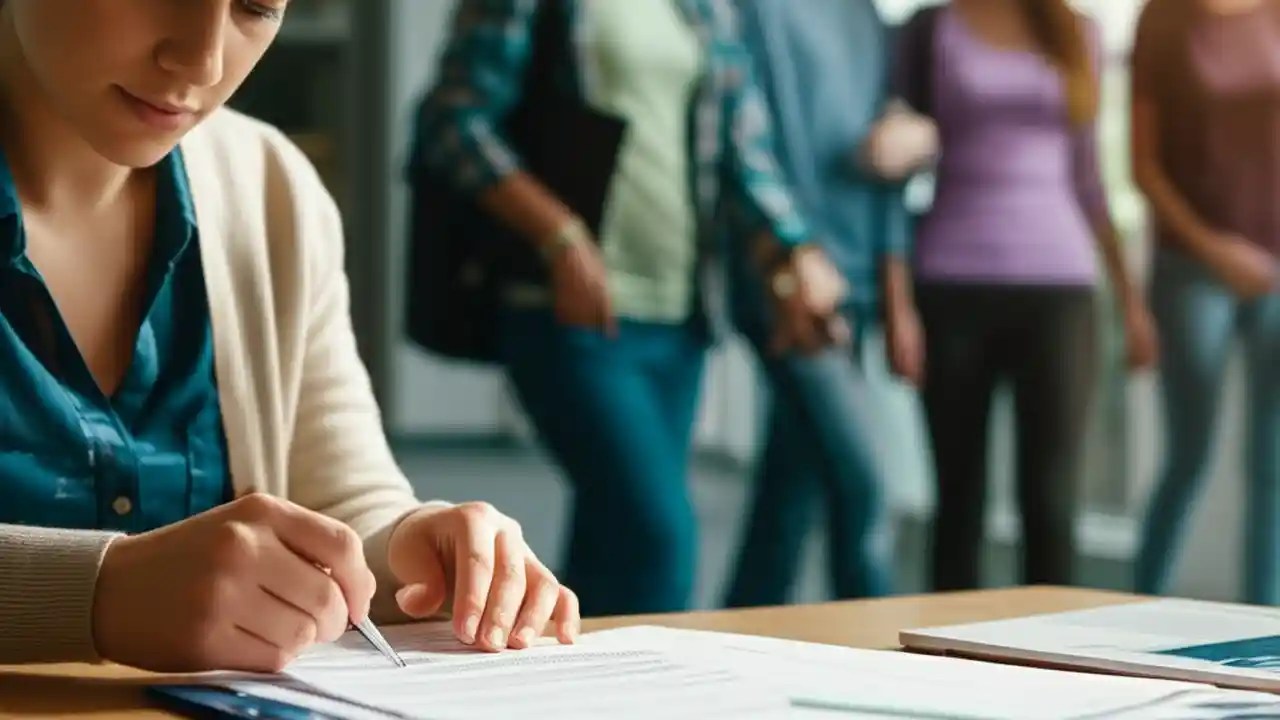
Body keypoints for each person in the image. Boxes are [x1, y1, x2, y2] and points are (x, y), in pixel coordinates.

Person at [0, 0, 580, 671]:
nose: (204, 60)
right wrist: (98, 593)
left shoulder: (269, 186)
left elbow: (341, 500)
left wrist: (416, 545)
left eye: (256, 6)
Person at [414, 0, 845, 616]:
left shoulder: (707, 8)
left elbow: (743, 149)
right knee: (660, 538)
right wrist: (559, 234)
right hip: (568, 315)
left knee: (610, 539)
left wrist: (793, 247)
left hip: (682, 320)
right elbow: (453, 122)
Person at [888, 0, 1159, 590]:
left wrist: (1132, 303)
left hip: (1060, 289)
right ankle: (948, 664)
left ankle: (1049, 662)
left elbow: (1088, 177)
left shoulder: (1076, 33)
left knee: (1052, 501)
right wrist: (897, 304)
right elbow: (895, 171)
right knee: (959, 499)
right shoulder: (932, 29)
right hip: (951, 280)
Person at [723, 0, 912, 607]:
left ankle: (734, 636)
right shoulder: (752, 11)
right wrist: (785, 261)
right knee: (863, 486)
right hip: (790, 275)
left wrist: (892, 291)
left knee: (789, 493)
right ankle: (881, 660)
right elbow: (743, 142)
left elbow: (889, 159)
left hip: (856, 278)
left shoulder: (865, 18)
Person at [1130, 0, 1280, 605]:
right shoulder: (1162, 19)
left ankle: (1265, 639)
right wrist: (1217, 251)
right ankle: (1138, 615)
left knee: (1273, 470)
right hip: (1193, 267)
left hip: (1278, 269)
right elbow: (1144, 166)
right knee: (1189, 455)